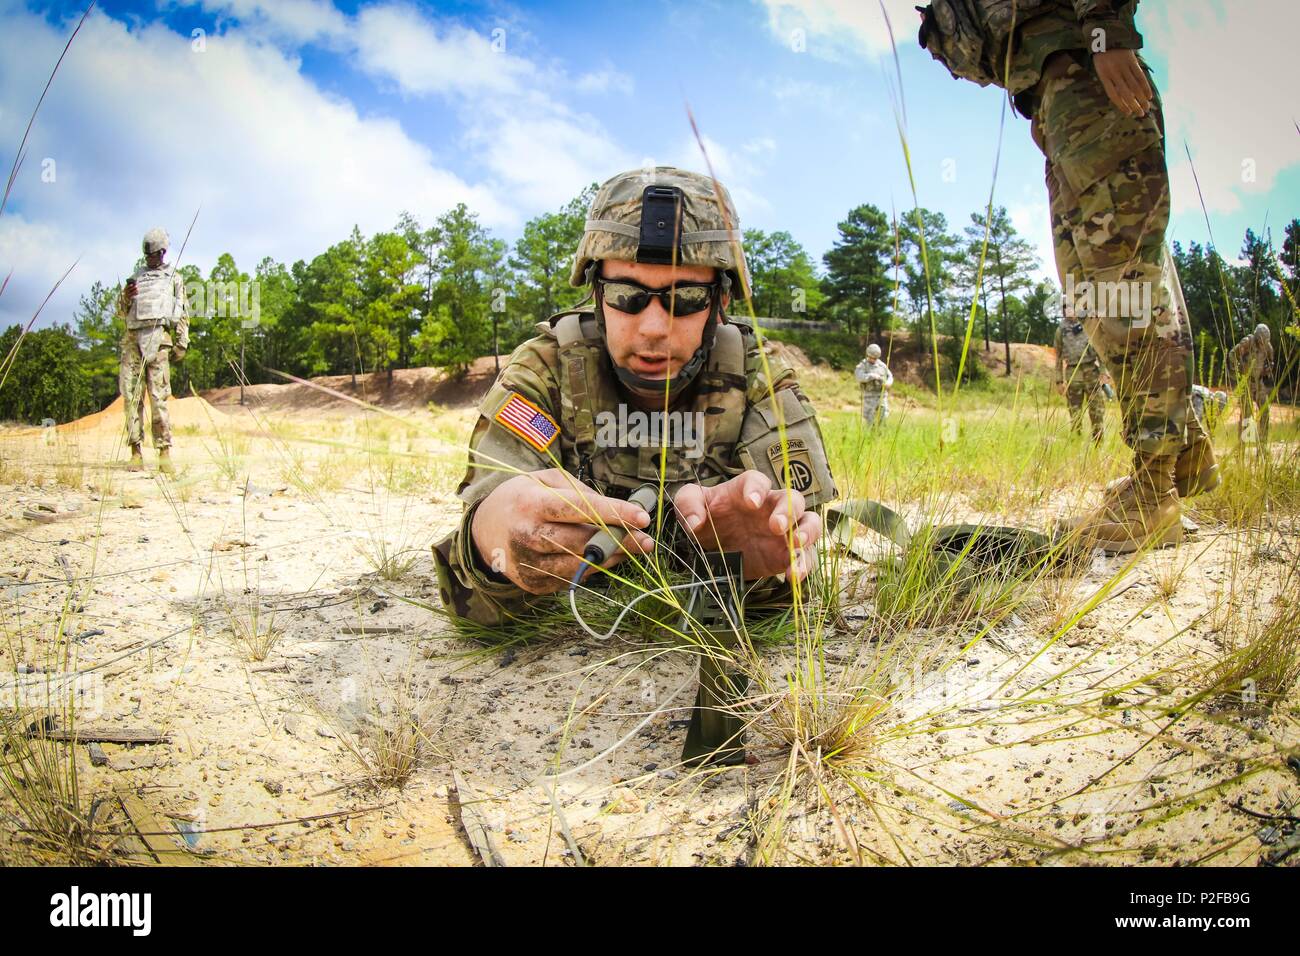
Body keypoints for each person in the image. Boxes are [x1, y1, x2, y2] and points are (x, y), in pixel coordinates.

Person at [433, 167, 837, 629]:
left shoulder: (755, 374)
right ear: (597, 294)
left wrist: (744, 565)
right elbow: (477, 605)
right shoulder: (546, 371)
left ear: (720, 302)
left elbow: (794, 572)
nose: (652, 327)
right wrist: (492, 546)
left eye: (685, 298)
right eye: (626, 295)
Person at [917, 0, 1216, 553]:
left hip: (1084, 76)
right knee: (1100, 294)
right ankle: (1180, 462)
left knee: (1122, 291)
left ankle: (1155, 494)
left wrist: (1104, 29)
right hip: (1058, 99)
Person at [118, 227, 189, 474]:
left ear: (162, 252)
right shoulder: (136, 277)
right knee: (131, 397)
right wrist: (126, 297)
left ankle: (164, 452)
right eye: (147, 255)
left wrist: (182, 342)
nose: (151, 259)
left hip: (159, 339)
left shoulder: (174, 278)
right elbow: (120, 311)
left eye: (154, 254)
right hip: (132, 340)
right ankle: (135, 452)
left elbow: (182, 311)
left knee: (159, 398)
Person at [1054, 317, 1104, 442]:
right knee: (1074, 412)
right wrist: (1059, 381)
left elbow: (1101, 350)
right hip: (1073, 375)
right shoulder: (1061, 329)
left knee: (1097, 411)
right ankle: (1076, 441)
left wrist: (1104, 372)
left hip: (1091, 373)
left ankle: (1098, 442)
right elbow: (1058, 357)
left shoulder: (1090, 325)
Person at [1228, 323, 1273, 447]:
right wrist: (1235, 371)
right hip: (1246, 382)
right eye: (1261, 341)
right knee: (1247, 415)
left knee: (1265, 411)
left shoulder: (1268, 347)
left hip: (1258, 383)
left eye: (1265, 341)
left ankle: (1262, 446)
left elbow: (1271, 361)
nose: (1263, 344)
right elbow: (1232, 354)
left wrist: (1268, 369)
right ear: (1257, 337)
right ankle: (1242, 448)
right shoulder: (1247, 342)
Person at [854, 344, 894, 426]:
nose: (873, 360)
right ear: (868, 355)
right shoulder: (863, 365)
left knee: (883, 418)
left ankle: (880, 435)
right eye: (871, 357)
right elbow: (859, 376)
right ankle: (870, 435)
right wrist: (871, 376)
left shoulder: (882, 365)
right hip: (869, 396)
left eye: (875, 358)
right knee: (870, 419)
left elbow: (890, 376)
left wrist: (888, 383)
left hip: (881, 396)